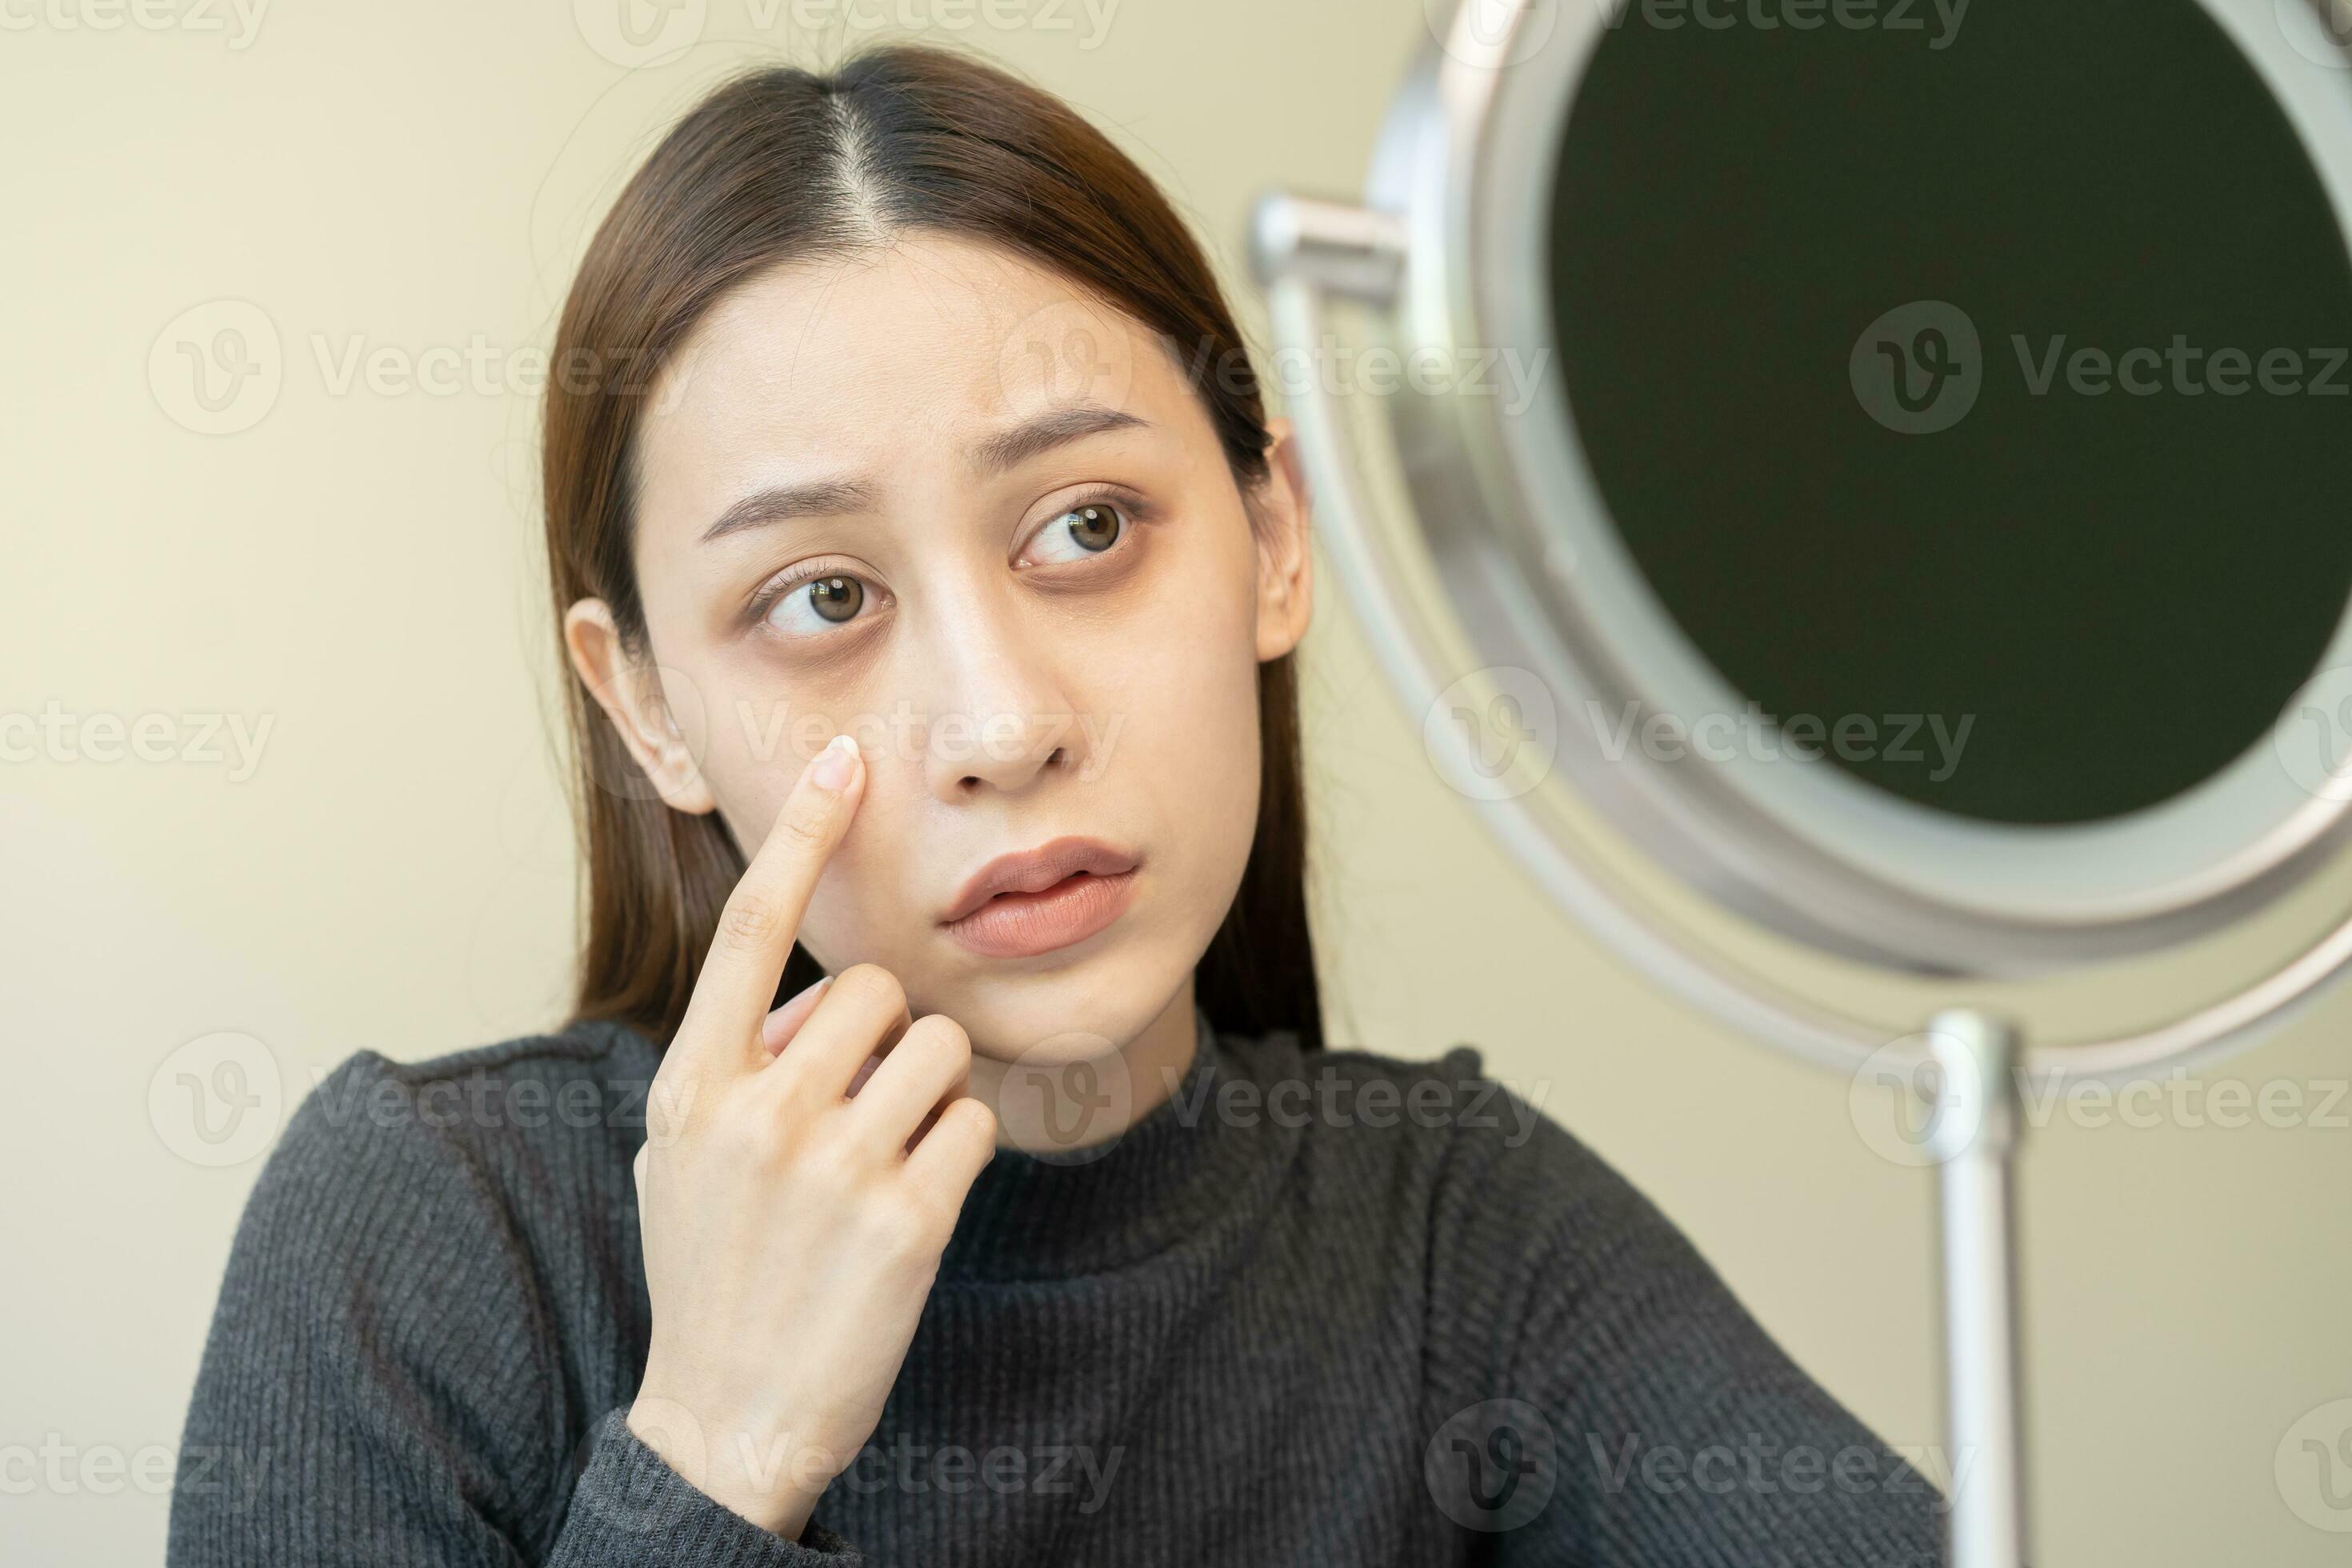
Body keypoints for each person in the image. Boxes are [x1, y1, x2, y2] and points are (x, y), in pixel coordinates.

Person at [168, 43, 1945, 1566]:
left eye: (1086, 527)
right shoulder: (433, 1231)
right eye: (823, 598)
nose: (1001, 725)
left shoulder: (1454, 1231)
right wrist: (715, 1446)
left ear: (1273, 539)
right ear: (648, 703)